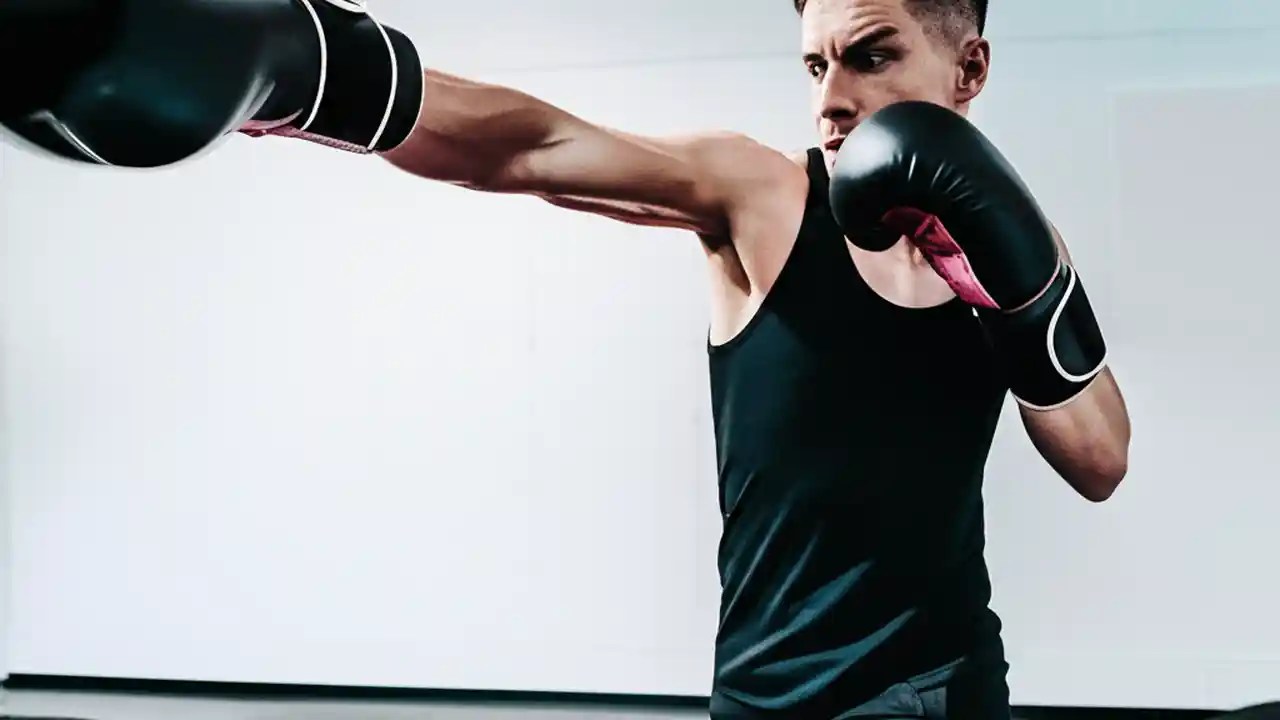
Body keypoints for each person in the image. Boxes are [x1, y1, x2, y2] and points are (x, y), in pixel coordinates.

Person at [0, 0, 1133, 717]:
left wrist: (1010, 293)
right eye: (812, 65)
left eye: (871, 56)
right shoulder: (761, 193)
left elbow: (1097, 459)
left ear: (967, 69)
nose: (833, 100)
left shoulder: (1009, 241)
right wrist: (303, 67)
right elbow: (534, 146)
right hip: (764, 690)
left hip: (939, 690)